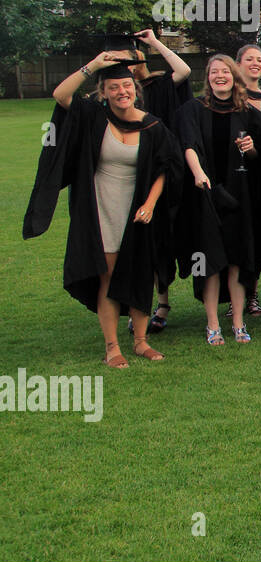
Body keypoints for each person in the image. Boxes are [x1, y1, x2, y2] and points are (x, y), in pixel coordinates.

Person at [25, 50, 181, 367]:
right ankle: (112, 347)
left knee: (139, 275)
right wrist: (94, 65)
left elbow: (167, 167)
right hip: (101, 209)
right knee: (108, 277)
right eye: (114, 87)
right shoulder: (94, 117)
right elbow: (61, 95)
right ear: (104, 92)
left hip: (138, 211)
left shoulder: (152, 126)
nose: (122, 92)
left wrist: (150, 203)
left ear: (135, 89)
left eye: (126, 86)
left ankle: (141, 342)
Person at [175, 55, 261, 345]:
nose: (220, 76)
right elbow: (188, 144)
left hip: (240, 198)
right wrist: (199, 173)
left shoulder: (247, 112)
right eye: (214, 72)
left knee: (237, 259)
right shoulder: (193, 109)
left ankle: (238, 322)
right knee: (209, 261)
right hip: (206, 194)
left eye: (225, 71)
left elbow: (260, 155)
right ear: (208, 77)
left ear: (234, 76)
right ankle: (212, 323)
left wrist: (251, 149)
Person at [130, 29, 192, 338]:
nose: (126, 67)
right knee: (133, 245)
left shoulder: (156, 88)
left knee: (159, 242)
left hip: (161, 176)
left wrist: (154, 41)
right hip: (126, 178)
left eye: (130, 60)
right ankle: (137, 304)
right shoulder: (109, 97)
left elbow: (184, 70)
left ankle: (162, 303)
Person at [234, 43, 261, 318]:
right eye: (249, 59)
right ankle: (234, 297)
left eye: (259, 60)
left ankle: (252, 294)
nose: (255, 64)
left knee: (258, 237)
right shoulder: (230, 99)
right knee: (238, 236)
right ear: (238, 64)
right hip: (237, 178)